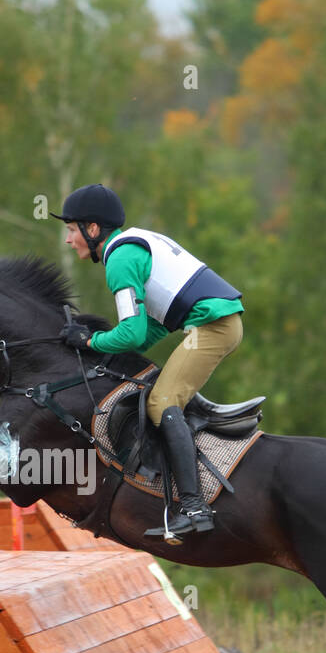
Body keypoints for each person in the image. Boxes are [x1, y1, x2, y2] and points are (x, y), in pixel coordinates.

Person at [51, 183, 244, 538]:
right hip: (213, 323)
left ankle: (194, 506)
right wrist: (107, 351)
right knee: (160, 392)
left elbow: (134, 333)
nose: (68, 240)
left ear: (93, 230)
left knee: (161, 401)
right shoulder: (133, 243)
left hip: (213, 327)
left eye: (71, 230)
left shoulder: (120, 260)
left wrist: (91, 340)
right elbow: (156, 324)